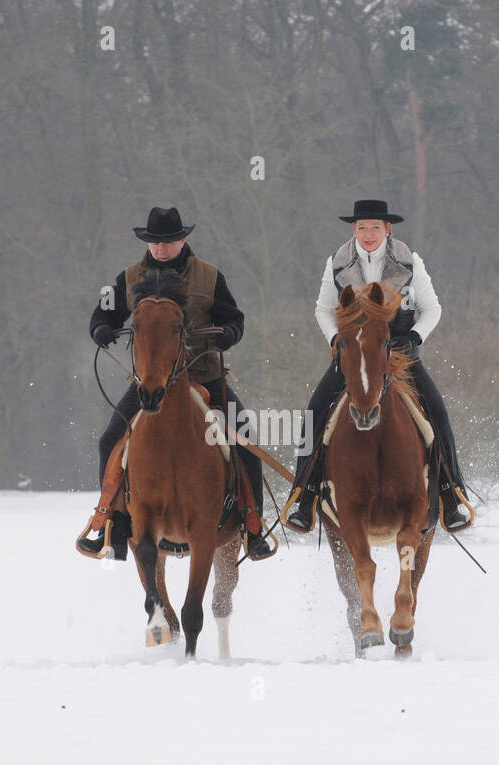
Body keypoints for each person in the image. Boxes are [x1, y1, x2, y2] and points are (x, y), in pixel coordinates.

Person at [78, 206, 273, 560]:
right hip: (150, 382)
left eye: (168, 241)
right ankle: (114, 522)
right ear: (147, 243)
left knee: (245, 436)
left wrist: (229, 332)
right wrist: (100, 328)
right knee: (110, 438)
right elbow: (102, 313)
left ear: (183, 239)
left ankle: (252, 525)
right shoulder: (128, 277)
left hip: (204, 375)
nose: (162, 248)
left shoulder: (210, 277)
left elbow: (235, 318)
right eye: (155, 242)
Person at [282, 198, 474, 532]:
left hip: (400, 352)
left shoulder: (410, 261)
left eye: (374, 227)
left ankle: (450, 493)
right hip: (353, 354)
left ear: (387, 229)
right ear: (353, 229)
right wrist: (335, 341)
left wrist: (415, 337)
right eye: (361, 227)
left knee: (437, 412)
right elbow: (323, 309)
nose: (368, 234)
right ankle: (304, 494)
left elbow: (433, 309)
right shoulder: (337, 262)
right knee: (314, 411)